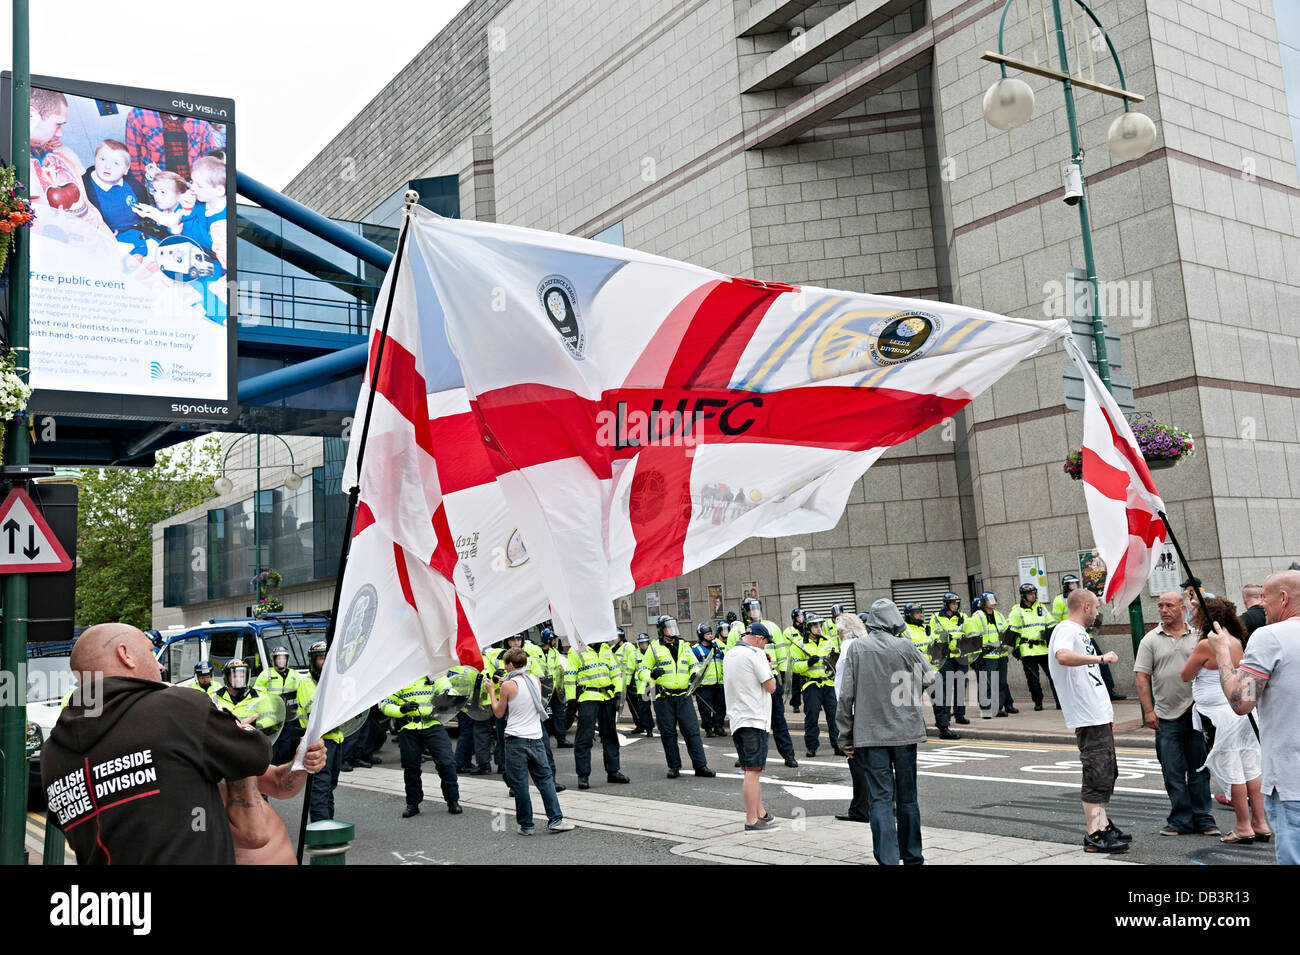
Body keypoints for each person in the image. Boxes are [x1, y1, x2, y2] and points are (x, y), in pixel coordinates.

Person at [41, 623, 273, 865]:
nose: (160, 665)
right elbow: (256, 753)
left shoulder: (51, 753)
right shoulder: (176, 707)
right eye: (151, 652)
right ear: (125, 654)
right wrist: (236, 724)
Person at [1207, 570, 1300, 865]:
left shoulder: (1270, 637)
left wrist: (1222, 654)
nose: (1262, 608)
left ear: (1283, 598)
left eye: (1266, 599)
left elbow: (1241, 701)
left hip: (1291, 781)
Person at [836, 599, 932, 865]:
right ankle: (912, 856)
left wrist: (844, 735)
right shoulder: (905, 645)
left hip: (869, 734)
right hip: (905, 732)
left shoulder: (857, 648)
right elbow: (929, 677)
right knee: (908, 798)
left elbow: (846, 696)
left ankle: (888, 859)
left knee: (879, 798)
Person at [1179, 598, 1269, 845]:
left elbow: (1186, 675)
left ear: (1205, 618)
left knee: (1232, 769)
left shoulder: (1207, 643)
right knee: (1251, 766)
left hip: (1219, 715)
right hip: (1242, 711)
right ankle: (1260, 822)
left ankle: (1243, 826)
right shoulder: (1237, 641)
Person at [1048, 588, 1130, 853]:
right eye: (1095, 607)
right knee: (1096, 773)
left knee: (1107, 772)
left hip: (1098, 714)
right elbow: (1063, 656)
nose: (1097, 612)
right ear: (1084, 607)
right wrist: (1101, 658)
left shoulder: (1080, 633)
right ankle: (1094, 834)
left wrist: (1107, 713)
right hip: (1087, 716)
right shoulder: (1066, 629)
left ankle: (1103, 825)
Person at [1135, 591, 1219, 837]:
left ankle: (1204, 818)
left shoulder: (1198, 637)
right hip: (1165, 716)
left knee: (1200, 769)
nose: (1163, 609)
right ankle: (1180, 820)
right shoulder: (1150, 640)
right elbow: (1142, 676)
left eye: (1169, 605)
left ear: (1182, 608)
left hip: (1197, 714)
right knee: (1172, 771)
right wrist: (1148, 711)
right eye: (1160, 605)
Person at [487, 647, 576, 835]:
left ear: (511, 664)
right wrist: (507, 683)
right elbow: (522, 692)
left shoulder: (507, 686)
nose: (504, 668)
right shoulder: (535, 680)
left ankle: (527, 825)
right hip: (536, 738)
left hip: (515, 740)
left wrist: (491, 692)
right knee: (545, 781)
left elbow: (498, 712)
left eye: (505, 664)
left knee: (520, 784)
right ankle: (555, 820)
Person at [641, 615, 716, 779]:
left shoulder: (684, 646)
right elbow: (641, 671)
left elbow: (694, 664)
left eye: (673, 626)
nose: (672, 630)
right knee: (668, 733)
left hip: (684, 696)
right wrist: (651, 675)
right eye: (668, 627)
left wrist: (694, 675)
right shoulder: (653, 648)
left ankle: (700, 766)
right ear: (661, 630)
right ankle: (674, 767)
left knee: (692, 731)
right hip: (663, 697)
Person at [728, 596, 798, 767]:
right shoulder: (736, 630)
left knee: (778, 720)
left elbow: (782, 654)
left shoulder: (771, 626)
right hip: (747, 684)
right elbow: (730, 658)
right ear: (744, 611)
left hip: (769, 678)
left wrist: (783, 678)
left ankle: (788, 755)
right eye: (751, 609)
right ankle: (744, 756)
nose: (755, 612)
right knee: (746, 721)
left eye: (757, 608)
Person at [380, 674, 463, 818]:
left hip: (432, 724)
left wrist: (445, 694)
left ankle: (452, 800)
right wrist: (401, 710)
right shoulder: (399, 678)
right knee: (411, 766)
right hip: (409, 727)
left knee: (446, 762)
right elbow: (384, 705)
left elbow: (451, 694)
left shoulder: (434, 674)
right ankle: (413, 804)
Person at [724, 622, 779, 832]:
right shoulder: (755, 654)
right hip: (755, 718)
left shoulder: (730, 654)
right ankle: (751, 820)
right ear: (759, 638)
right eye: (765, 642)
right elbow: (771, 686)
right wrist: (769, 668)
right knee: (753, 771)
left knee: (750, 768)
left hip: (738, 719)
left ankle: (761, 813)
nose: (765, 647)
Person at [564, 634, 629, 789]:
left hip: (607, 697)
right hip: (587, 697)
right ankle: (583, 775)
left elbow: (615, 672)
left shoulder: (606, 649)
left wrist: (619, 692)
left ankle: (613, 771)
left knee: (610, 736)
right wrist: (572, 701)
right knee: (584, 738)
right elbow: (570, 676)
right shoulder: (577, 650)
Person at [296, 641, 346, 822]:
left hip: (336, 739)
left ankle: (328, 823)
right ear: (313, 661)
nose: (325, 662)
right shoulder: (307, 683)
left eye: (328, 658)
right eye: (321, 658)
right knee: (319, 787)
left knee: (330, 785)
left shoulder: (334, 683)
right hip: (319, 742)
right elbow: (316, 715)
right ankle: (320, 827)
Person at [1053, 575, 1123, 700]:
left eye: (1076, 583)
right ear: (1065, 585)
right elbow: (1055, 621)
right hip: (1072, 637)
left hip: (1085, 634)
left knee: (1098, 663)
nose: (1074, 586)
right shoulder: (1060, 602)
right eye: (1071, 584)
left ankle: (1109, 690)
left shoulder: (1083, 597)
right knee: (1092, 662)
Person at [832, 612, 870, 824]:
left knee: (856, 760)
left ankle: (860, 809)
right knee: (875, 763)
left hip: (853, 710)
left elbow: (845, 686)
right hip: (868, 709)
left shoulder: (848, 647)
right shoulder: (865, 643)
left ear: (843, 631)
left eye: (838, 631)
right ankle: (884, 804)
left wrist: (843, 718)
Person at [787, 612, 841, 757]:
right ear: (808, 627)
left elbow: (836, 662)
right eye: (815, 626)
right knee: (812, 718)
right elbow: (795, 667)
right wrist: (808, 663)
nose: (818, 628)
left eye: (820, 625)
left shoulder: (828, 641)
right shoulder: (798, 645)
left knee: (834, 717)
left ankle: (837, 745)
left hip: (828, 684)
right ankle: (811, 747)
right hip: (810, 685)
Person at [1007, 583, 1059, 710]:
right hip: (1027, 649)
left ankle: (1060, 701)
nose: (1033, 595)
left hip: (1043, 648)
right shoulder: (1016, 612)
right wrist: (1015, 648)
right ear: (1024, 596)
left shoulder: (1042, 608)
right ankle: (1038, 702)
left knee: (1054, 675)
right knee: (1033, 678)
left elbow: (1052, 626)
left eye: (1035, 593)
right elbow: (1011, 633)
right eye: (1030, 594)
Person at [967, 592, 1013, 718]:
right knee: (987, 684)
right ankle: (986, 709)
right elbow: (972, 636)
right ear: (983, 603)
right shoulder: (977, 617)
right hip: (987, 656)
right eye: (989, 600)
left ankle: (997, 708)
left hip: (1000, 655)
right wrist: (977, 655)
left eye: (993, 599)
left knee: (1001, 683)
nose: (993, 602)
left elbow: (1005, 630)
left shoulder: (998, 615)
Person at [255, 646, 304, 764]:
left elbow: (301, 693)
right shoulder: (265, 674)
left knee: (286, 746)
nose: (281, 661)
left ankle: (283, 770)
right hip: (272, 718)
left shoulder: (294, 675)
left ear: (287, 659)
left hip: (289, 717)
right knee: (272, 745)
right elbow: (258, 695)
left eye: (283, 658)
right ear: (274, 660)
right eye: (278, 658)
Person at [929, 592, 969, 735]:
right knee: (945, 689)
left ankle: (960, 714)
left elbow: (970, 632)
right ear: (946, 604)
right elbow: (931, 636)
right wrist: (942, 637)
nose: (955, 605)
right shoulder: (936, 618)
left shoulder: (963, 617)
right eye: (953, 603)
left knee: (961, 686)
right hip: (945, 658)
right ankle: (944, 718)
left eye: (957, 603)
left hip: (960, 656)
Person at [692, 622, 727, 736]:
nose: (710, 636)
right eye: (707, 634)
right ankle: (708, 729)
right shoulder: (696, 649)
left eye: (711, 633)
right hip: (704, 685)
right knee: (705, 709)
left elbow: (723, 663)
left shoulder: (717, 647)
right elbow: (691, 667)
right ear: (701, 635)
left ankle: (718, 727)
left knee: (720, 707)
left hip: (719, 682)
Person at [539, 628, 572, 747]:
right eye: (553, 639)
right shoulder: (535, 651)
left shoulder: (555, 652)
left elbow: (559, 669)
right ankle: (544, 740)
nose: (554, 641)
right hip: (542, 689)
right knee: (543, 715)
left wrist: (561, 687)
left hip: (554, 689)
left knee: (560, 714)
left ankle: (561, 739)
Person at [628, 632, 656, 736]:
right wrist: (626, 684)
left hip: (655, 685)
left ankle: (666, 727)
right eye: (641, 643)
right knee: (645, 709)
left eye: (645, 643)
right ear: (638, 644)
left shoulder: (654, 652)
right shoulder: (634, 655)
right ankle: (649, 729)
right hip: (642, 687)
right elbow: (629, 671)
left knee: (659, 708)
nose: (644, 645)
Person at [786, 608, 807, 712]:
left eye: (803, 616)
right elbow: (785, 647)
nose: (801, 619)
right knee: (796, 684)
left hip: (806, 659)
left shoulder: (807, 629)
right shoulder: (788, 631)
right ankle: (796, 705)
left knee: (809, 683)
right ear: (794, 618)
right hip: (794, 659)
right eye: (799, 617)